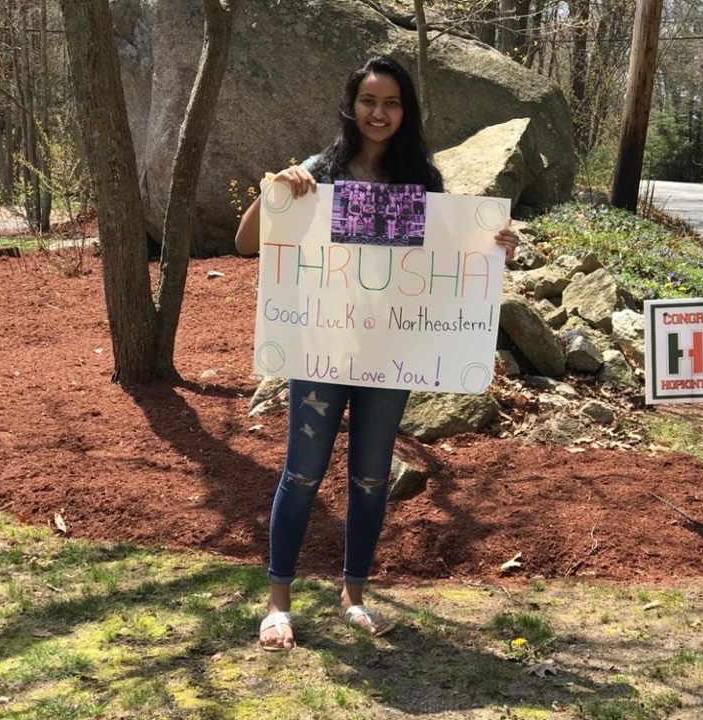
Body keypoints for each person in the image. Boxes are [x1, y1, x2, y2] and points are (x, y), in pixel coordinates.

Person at [235, 55, 518, 650]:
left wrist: (493, 250)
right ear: (351, 105)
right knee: (302, 472)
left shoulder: (423, 187)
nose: (379, 113)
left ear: (406, 111)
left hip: (388, 354)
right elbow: (245, 243)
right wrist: (278, 194)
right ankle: (277, 605)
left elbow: (448, 262)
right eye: (369, 101)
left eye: (391, 102)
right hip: (321, 350)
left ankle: (354, 596)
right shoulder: (321, 172)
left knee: (369, 478)